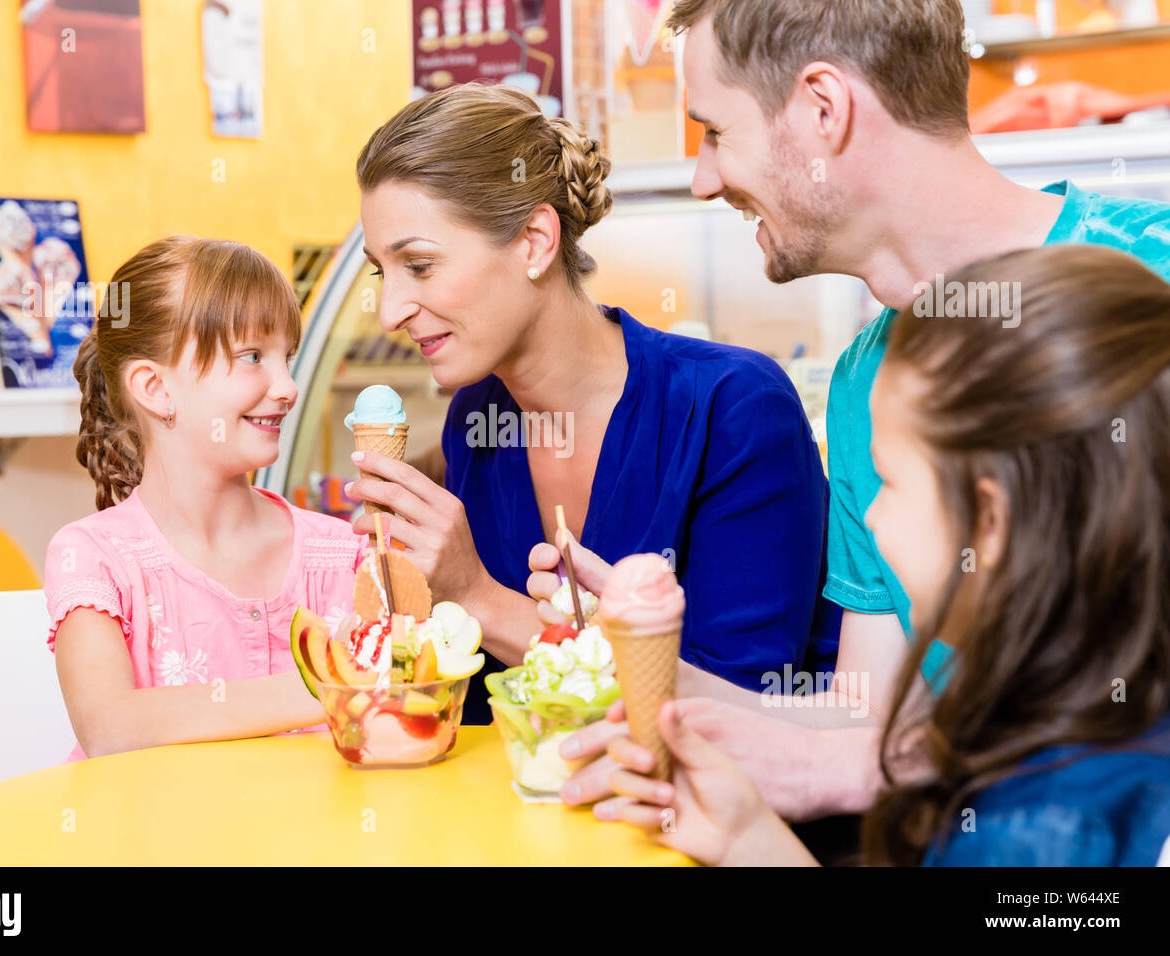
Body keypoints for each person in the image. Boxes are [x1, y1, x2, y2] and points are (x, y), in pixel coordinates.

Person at [536, 0, 1170, 813]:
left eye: (716, 132)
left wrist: (880, 772)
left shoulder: (1148, 280)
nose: (701, 179)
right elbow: (875, 717)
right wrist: (637, 655)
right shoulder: (863, 381)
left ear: (823, 110)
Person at [604, 246, 1170, 865]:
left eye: (890, 482)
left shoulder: (1033, 831)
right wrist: (748, 840)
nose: (870, 516)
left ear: (990, 520)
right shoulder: (1102, 726)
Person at [347, 82, 840, 725]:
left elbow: (743, 712)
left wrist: (479, 598)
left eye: (419, 265)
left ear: (534, 241)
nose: (389, 313)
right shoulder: (477, 419)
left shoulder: (733, 409)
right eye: (383, 272)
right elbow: (494, 708)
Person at [44, 236, 365, 760]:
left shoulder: (344, 552)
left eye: (288, 357)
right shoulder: (94, 558)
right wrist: (334, 682)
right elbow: (110, 725)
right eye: (253, 356)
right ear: (155, 388)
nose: (287, 386)